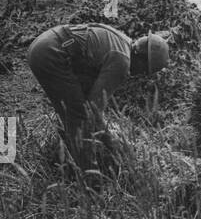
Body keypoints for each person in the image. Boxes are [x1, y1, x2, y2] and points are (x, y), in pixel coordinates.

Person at [28, 23, 170, 165]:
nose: (140, 74)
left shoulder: (122, 40)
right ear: (141, 58)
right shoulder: (122, 61)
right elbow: (93, 110)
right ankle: (89, 176)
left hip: (45, 43)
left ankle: (67, 155)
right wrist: (114, 146)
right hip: (49, 53)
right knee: (80, 116)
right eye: (145, 70)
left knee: (76, 107)